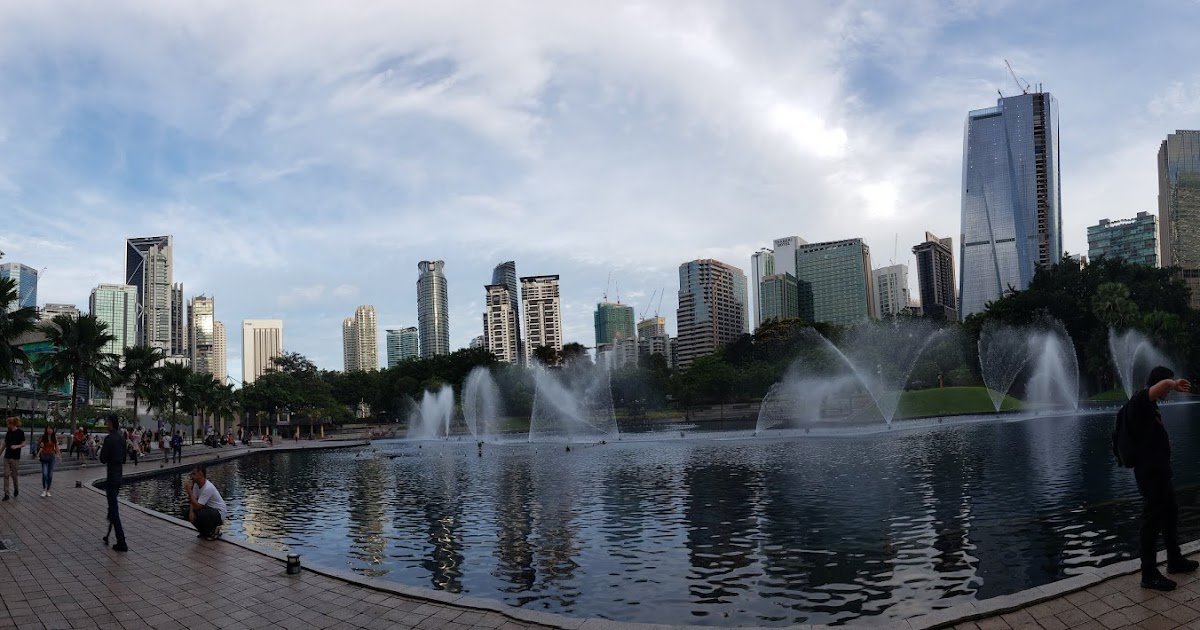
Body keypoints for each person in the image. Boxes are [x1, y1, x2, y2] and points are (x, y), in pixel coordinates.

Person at [1126, 366, 1197, 591]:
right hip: (1150, 476)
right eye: (1168, 384)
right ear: (1159, 383)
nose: (1170, 391)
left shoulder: (1151, 406)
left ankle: (1174, 560)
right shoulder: (1140, 401)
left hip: (1161, 475)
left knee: (1170, 516)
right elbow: (1162, 387)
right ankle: (1148, 574)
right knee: (1151, 523)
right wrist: (1173, 384)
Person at [98, 414, 128, 552]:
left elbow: (103, 459)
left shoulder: (109, 439)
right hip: (119, 476)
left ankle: (121, 541)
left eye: (107, 422)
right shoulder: (122, 439)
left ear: (111, 423)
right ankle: (108, 534)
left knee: (114, 509)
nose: (106, 425)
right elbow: (124, 459)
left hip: (111, 477)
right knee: (112, 507)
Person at [184, 465, 227, 540]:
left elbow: (198, 506)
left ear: (201, 474)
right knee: (188, 513)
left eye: (194, 474)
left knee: (200, 513)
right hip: (208, 509)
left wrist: (189, 491)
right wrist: (191, 512)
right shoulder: (196, 485)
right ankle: (204, 532)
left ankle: (214, 531)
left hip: (218, 512)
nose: (192, 476)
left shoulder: (208, 488)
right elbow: (194, 500)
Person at [3, 416, 25, 501]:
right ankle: (6, 493)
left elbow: (24, 443)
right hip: (7, 457)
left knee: (14, 475)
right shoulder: (8, 433)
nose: (7, 425)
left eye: (8, 424)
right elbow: (5, 444)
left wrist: (17, 446)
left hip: (15, 458)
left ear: (12, 424)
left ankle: (16, 488)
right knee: (6, 474)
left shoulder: (20, 433)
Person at [37, 426, 61, 497]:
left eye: (51, 429)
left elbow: (56, 447)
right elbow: (41, 446)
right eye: (48, 428)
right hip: (44, 456)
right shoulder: (43, 437)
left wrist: (59, 456)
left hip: (52, 456)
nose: (49, 430)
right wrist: (38, 454)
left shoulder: (54, 438)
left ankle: (48, 490)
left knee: (50, 474)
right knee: (44, 473)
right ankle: (44, 489)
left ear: (53, 430)